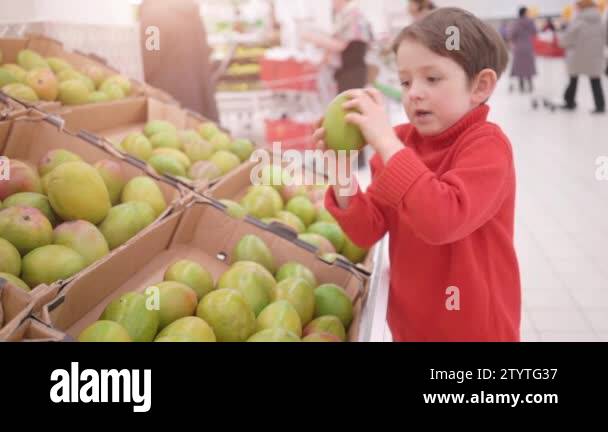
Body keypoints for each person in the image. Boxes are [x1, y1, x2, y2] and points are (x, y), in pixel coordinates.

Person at [313, 8, 520, 342]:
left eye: (432, 78)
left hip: (474, 328)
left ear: (480, 86)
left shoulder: (487, 147)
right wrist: (340, 169)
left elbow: (442, 219)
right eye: (405, 81)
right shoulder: (401, 143)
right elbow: (367, 230)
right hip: (410, 324)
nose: (413, 93)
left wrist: (384, 142)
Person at [139, 0, 219, 121]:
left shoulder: (153, 16)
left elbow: (148, 59)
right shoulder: (193, 14)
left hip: (167, 103)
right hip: (198, 100)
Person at [559, 0, 606, 113]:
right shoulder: (601, 21)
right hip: (595, 56)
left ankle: (570, 102)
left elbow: (565, 40)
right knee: (595, 81)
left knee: (573, 80)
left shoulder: (578, 21)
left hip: (577, 56)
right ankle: (600, 105)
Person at [509, 7, 537, 93]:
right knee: (528, 66)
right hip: (528, 47)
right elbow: (535, 32)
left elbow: (512, 35)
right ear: (525, 12)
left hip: (518, 48)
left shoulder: (516, 23)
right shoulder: (530, 22)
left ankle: (521, 86)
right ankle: (530, 85)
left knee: (520, 67)